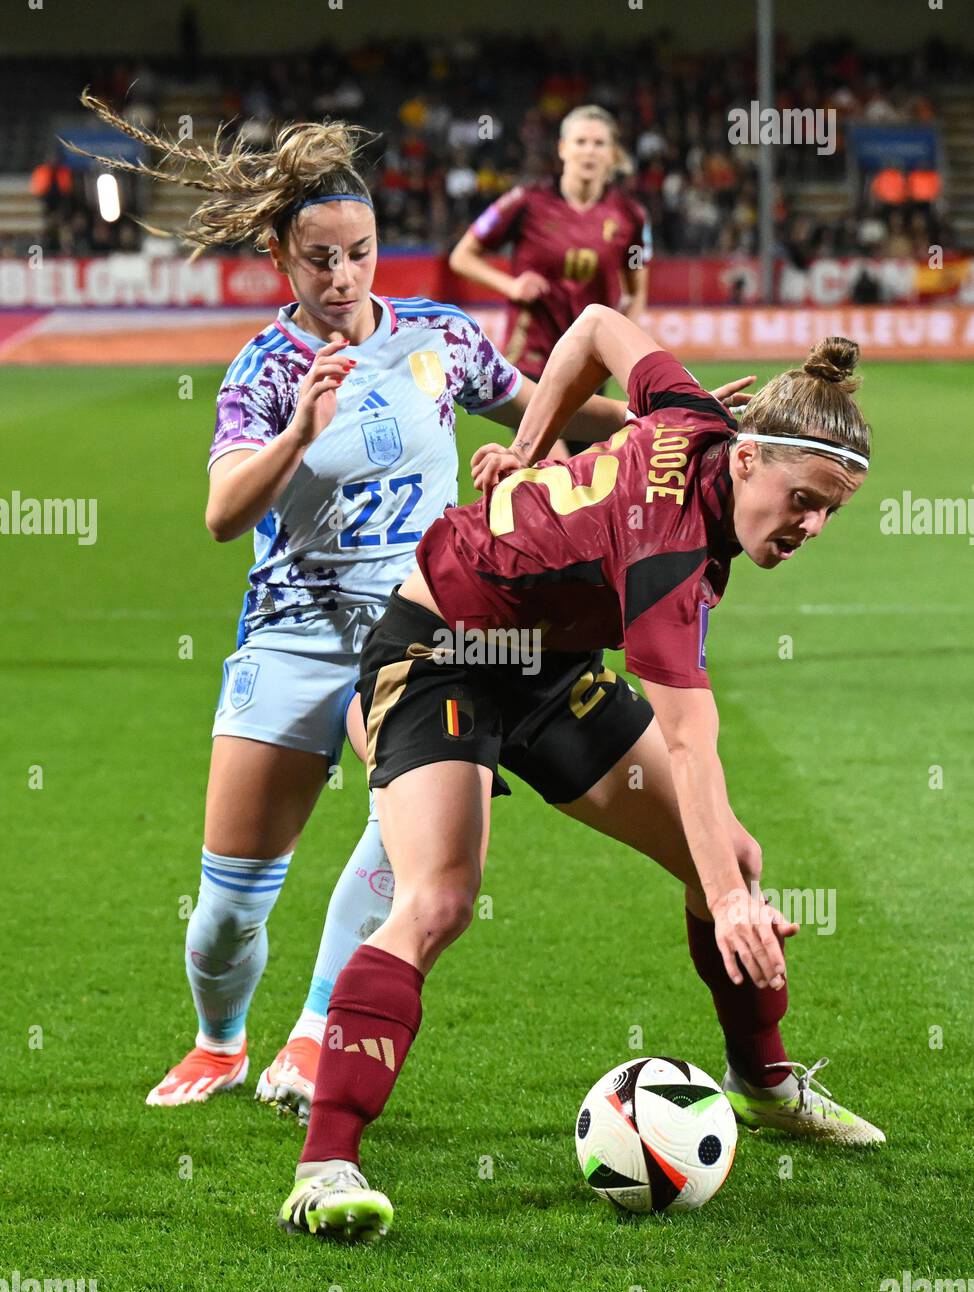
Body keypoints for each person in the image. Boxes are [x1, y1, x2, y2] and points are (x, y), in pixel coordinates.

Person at [66, 93, 637, 1112]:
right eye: (319, 259)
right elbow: (220, 516)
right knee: (226, 914)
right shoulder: (264, 369)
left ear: (379, 249)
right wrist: (296, 433)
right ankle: (220, 1039)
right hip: (289, 641)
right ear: (284, 261)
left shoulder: (437, 337)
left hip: (413, 632)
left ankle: (313, 1027)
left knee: (410, 822)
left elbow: (538, 406)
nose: (342, 279)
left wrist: (660, 408)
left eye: (360, 254)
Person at [277, 308, 885, 1242]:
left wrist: (527, 451)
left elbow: (600, 326)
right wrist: (726, 905)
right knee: (440, 896)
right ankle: (325, 1165)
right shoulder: (671, 553)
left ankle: (762, 1083)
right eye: (804, 497)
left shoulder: (694, 413)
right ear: (751, 459)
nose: (811, 525)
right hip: (440, 651)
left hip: (548, 669)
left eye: (829, 512)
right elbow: (691, 743)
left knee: (734, 857)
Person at [448, 105, 650, 455]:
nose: (589, 150)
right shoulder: (527, 202)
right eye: (581, 141)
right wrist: (511, 286)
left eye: (599, 143)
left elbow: (637, 292)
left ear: (612, 153)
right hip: (532, 361)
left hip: (589, 367)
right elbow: (462, 256)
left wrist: (625, 357)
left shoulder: (629, 217)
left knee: (588, 482)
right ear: (562, 148)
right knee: (549, 470)